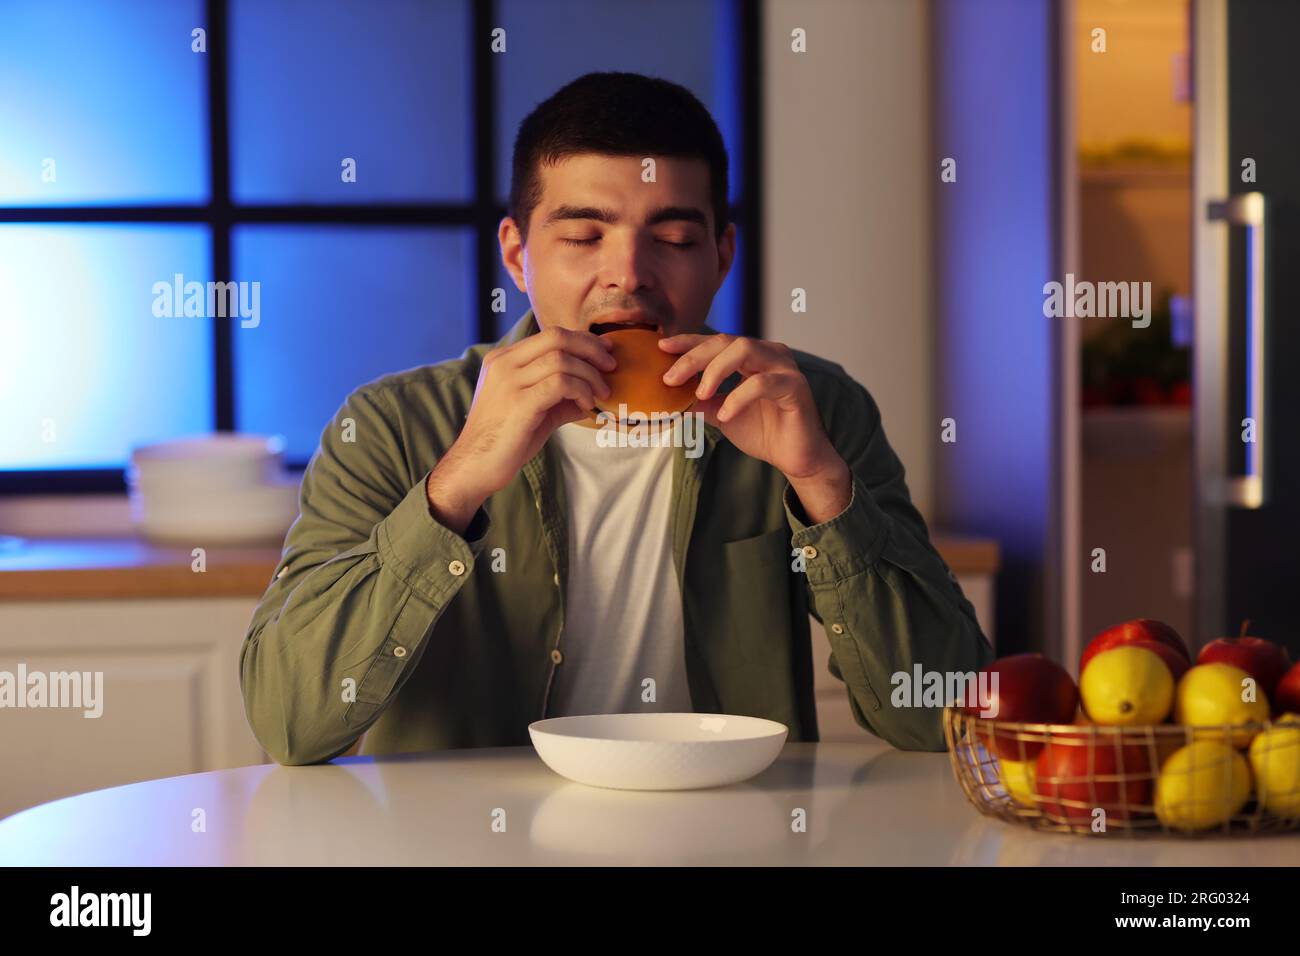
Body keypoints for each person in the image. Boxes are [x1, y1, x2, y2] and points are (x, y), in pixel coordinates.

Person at [239, 72, 992, 766]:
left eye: (672, 239)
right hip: (468, 845)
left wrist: (821, 481)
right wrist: (456, 485)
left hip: (736, 837)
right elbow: (290, 722)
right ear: (516, 254)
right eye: (582, 236)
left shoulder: (811, 408)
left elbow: (941, 716)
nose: (629, 273)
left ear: (723, 254)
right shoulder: (389, 425)